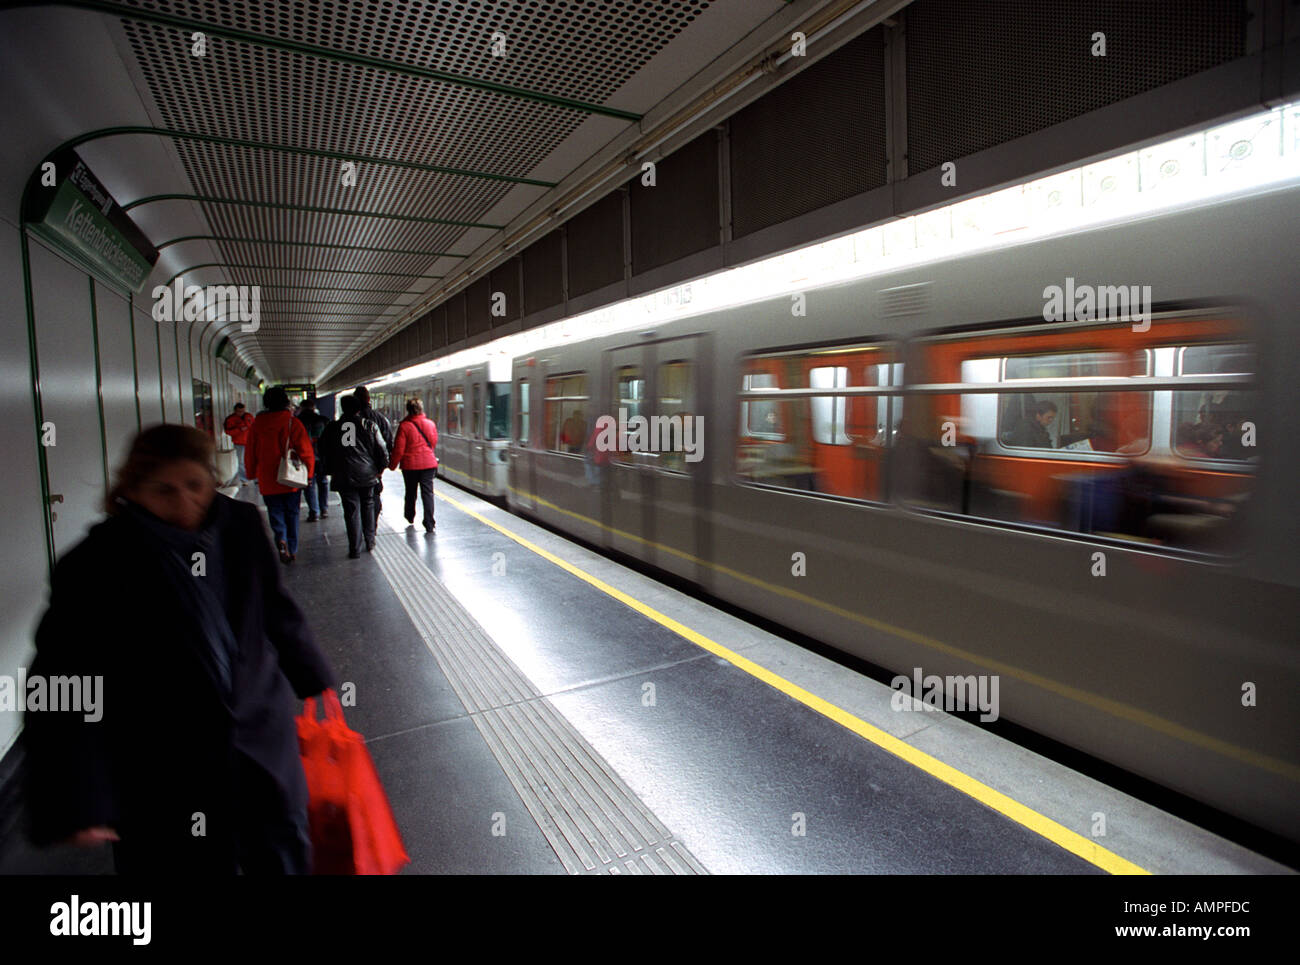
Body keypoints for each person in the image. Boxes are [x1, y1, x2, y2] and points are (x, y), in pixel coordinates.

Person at [23, 424, 334, 874]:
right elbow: (60, 683)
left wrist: (312, 674)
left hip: (261, 746)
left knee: (280, 854)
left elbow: (275, 610)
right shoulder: (95, 564)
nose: (185, 503)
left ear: (211, 480)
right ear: (131, 489)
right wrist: (78, 796)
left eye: (195, 486)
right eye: (164, 490)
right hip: (161, 773)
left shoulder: (241, 527)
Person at [245, 386, 314, 563]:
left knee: (275, 512)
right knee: (292, 512)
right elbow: (306, 451)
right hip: (290, 477)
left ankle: (280, 538)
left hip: (267, 479)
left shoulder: (256, 425)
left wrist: (251, 472)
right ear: (285, 401)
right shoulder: (293, 423)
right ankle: (292, 548)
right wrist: (309, 473)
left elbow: (250, 452)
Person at [319, 394, 388, 558]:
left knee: (351, 511)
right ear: (359, 408)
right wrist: (379, 470)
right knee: (368, 505)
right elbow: (382, 451)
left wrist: (331, 467)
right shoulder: (370, 425)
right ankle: (370, 541)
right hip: (367, 474)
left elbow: (322, 449)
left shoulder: (332, 427)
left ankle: (354, 548)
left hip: (343, 474)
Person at [388, 398, 438, 532]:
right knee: (428, 493)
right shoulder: (430, 424)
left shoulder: (404, 426)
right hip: (428, 464)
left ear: (408, 410)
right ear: (421, 409)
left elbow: (399, 449)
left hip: (410, 466)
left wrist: (392, 465)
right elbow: (433, 442)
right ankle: (429, 523)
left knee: (411, 492)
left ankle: (410, 516)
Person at [353, 386, 393, 529]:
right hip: (373, 469)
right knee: (372, 498)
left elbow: (347, 447)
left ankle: (356, 541)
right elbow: (387, 445)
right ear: (369, 399)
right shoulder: (380, 419)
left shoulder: (348, 424)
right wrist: (382, 467)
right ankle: (371, 532)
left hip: (353, 468)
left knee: (353, 504)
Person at [296, 398, 331, 522]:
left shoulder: (297, 421)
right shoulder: (323, 420)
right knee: (323, 482)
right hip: (321, 457)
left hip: (304, 458)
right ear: (313, 407)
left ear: (301, 408)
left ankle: (314, 512)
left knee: (309, 484)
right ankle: (324, 509)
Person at [222, 402, 255, 486]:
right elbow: (228, 431)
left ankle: (254, 476)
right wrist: (240, 429)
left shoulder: (249, 416)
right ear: (235, 411)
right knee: (241, 461)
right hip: (239, 443)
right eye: (239, 411)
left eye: (243, 411)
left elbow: (255, 427)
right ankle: (244, 479)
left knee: (252, 459)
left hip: (250, 442)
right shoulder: (230, 419)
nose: (241, 413)